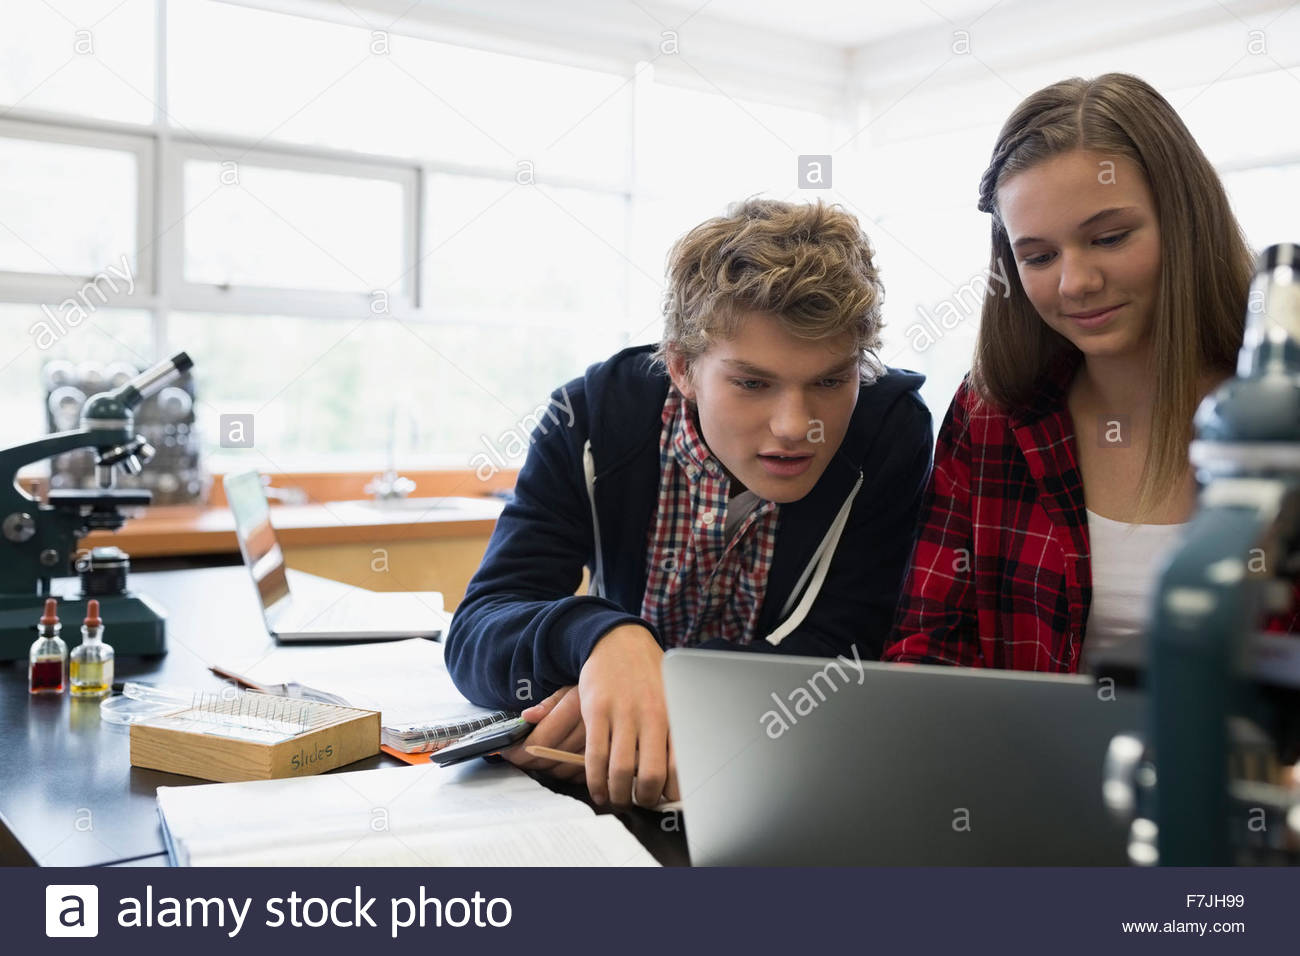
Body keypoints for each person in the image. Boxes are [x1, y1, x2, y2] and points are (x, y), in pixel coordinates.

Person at [446, 198, 933, 807]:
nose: (794, 425)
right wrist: (603, 641)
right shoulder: (589, 418)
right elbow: (476, 632)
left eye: (831, 381)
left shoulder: (889, 432)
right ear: (682, 367)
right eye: (753, 383)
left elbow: (846, 657)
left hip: (775, 792)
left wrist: (648, 693)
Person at [886, 72, 1255, 672]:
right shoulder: (991, 415)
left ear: (1186, 220)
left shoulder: (1279, 413)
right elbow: (925, 647)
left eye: (1109, 238)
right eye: (1038, 256)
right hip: (1020, 767)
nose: (1075, 283)